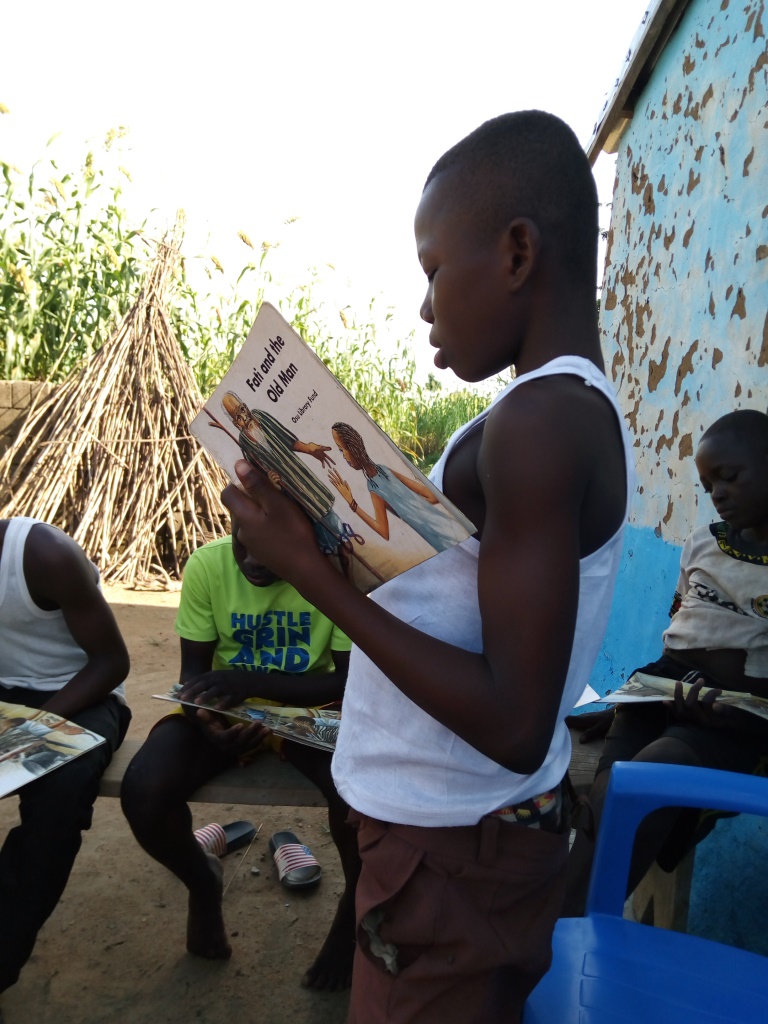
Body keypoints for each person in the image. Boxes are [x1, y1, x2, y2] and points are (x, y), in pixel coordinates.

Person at [218, 110, 634, 1023]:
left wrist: (314, 576)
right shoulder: (545, 415)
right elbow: (455, 603)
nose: (424, 307)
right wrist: (321, 531)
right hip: (455, 840)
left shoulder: (538, 424)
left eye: (433, 271)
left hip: (453, 853)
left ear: (518, 254)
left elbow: (516, 721)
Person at [120, 522, 359, 992]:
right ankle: (202, 881)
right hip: (227, 705)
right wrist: (206, 722)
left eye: (269, 545)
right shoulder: (208, 566)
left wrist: (251, 683)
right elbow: (193, 675)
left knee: (358, 800)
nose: (251, 558)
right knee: (144, 789)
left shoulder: (335, 574)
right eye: (242, 542)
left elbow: (346, 682)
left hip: (313, 709)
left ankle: (353, 913)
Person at [564, 409, 768, 916]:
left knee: (647, 785)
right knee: (606, 796)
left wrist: (725, 706)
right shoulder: (704, 541)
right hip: (665, 685)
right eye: (707, 483)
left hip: (736, 711)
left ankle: (579, 928)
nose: (717, 493)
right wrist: (632, 697)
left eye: (730, 477)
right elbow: (683, 624)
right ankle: (555, 931)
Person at [0, 517, 131, 998]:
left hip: (80, 695)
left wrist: (29, 733)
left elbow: (110, 662)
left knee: (59, 796)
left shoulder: (42, 554)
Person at [328, 421, 465, 551]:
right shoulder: (384, 470)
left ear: (352, 448)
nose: (343, 457)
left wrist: (352, 503)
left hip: (443, 540)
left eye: (341, 450)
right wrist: (413, 508)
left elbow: (383, 532)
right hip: (451, 526)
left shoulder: (374, 486)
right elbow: (432, 497)